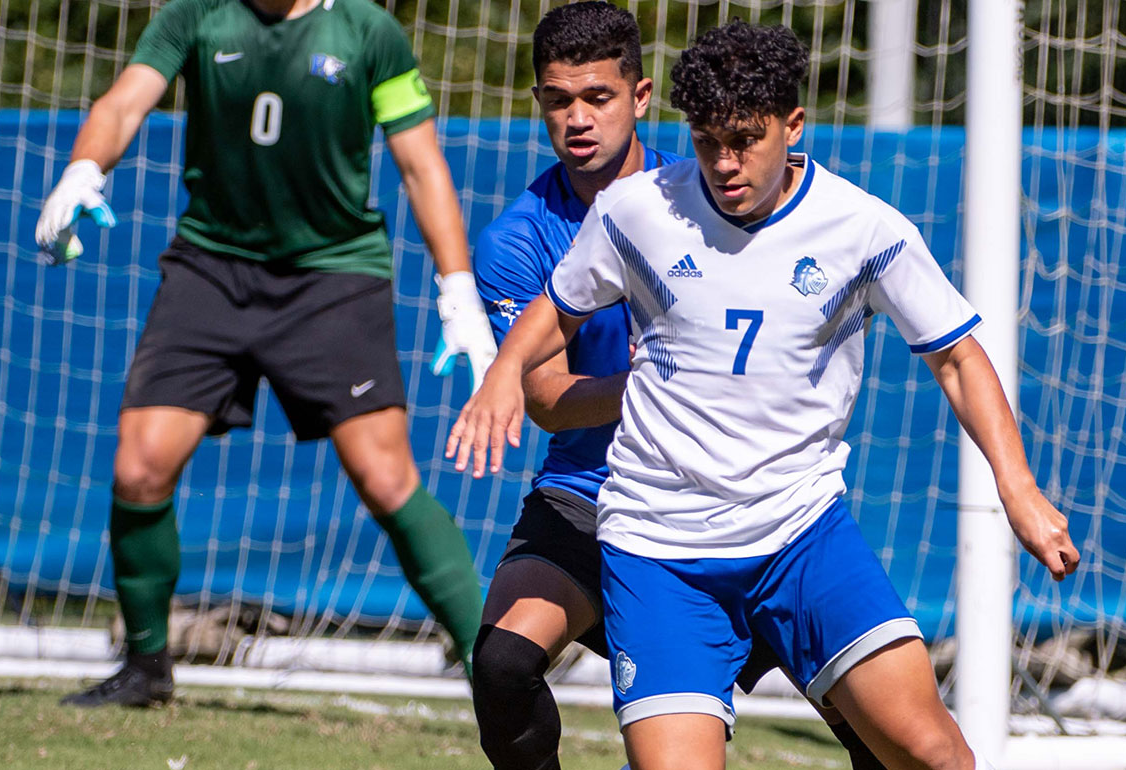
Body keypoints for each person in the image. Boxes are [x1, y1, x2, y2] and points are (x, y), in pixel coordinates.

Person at [448, 20, 1081, 770]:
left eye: (744, 139)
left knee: (934, 755)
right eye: (708, 139)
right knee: (509, 666)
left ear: (793, 125)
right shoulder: (636, 211)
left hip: (799, 538)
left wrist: (1019, 489)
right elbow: (558, 306)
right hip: (659, 547)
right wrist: (499, 378)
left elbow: (958, 357)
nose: (723, 162)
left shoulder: (864, 229)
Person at [33, 0, 494, 708]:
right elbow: (123, 104)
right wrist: (81, 172)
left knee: (385, 475)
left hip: (334, 276)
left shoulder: (366, 30)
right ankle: (146, 666)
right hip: (212, 268)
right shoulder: (195, 17)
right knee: (140, 465)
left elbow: (421, 164)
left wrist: (457, 288)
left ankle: (488, 664)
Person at [468, 5, 885, 769]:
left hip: (737, 499)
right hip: (589, 493)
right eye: (559, 101)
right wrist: (657, 386)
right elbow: (544, 396)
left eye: (598, 97)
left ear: (642, 95)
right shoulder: (515, 241)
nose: (578, 119)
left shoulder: (709, 189)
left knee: (876, 724)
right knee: (501, 662)